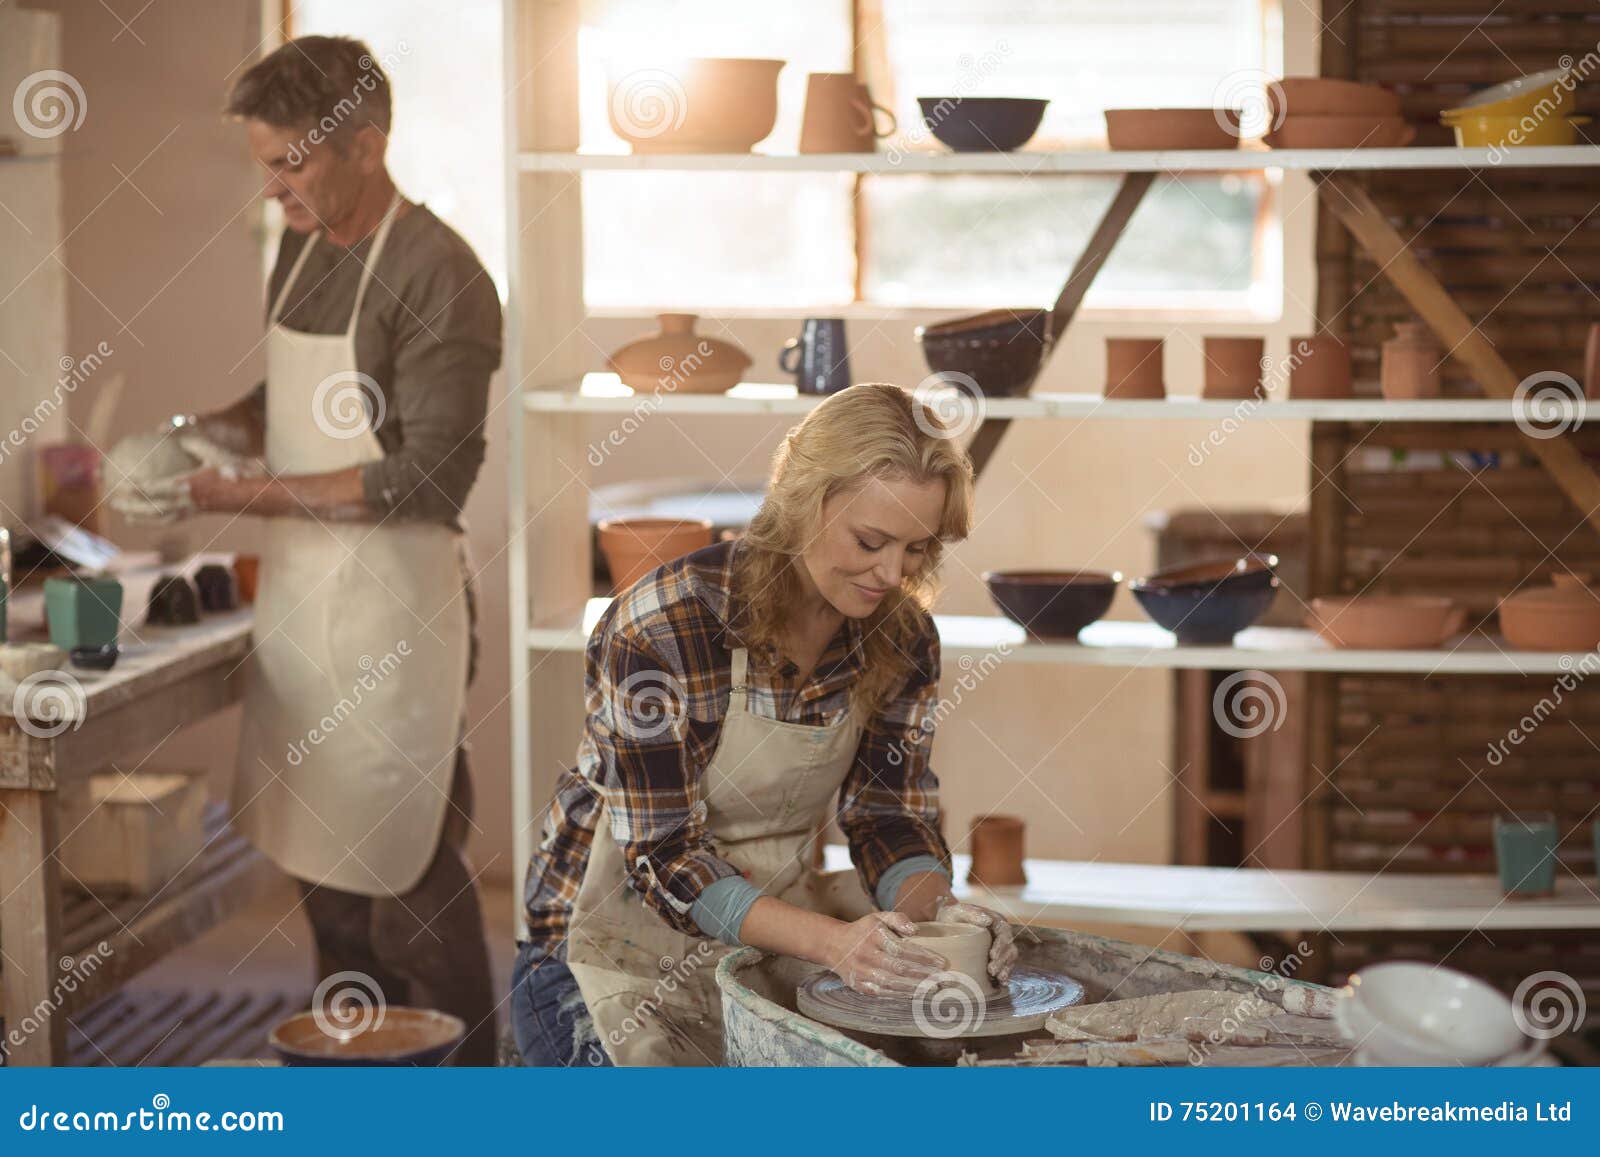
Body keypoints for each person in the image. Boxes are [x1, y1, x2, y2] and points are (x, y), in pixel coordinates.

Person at [132, 36, 501, 1063]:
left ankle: (475, 1089)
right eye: (265, 161)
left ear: (367, 147)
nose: (273, 184)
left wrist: (225, 492)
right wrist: (196, 434)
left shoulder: (442, 275)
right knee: (329, 892)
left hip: (395, 617)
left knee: (406, 891)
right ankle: (352, 1080)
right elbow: (285, 407)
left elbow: (429, 476)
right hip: (304, 604)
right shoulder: (301, 244)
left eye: (292, 161)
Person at [512, 383, 1019, 1066]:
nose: (893, 572)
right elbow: (666, 856)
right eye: (871, 540)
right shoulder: (666, 626)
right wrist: (836, 942)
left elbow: (885, 814)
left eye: (918, 549)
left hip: (772, 931)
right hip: (603, 950)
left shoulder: (902, 635)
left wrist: (941, 916)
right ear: (804, 502)